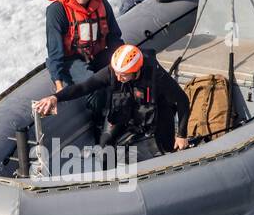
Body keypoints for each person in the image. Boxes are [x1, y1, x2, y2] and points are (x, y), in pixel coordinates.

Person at [33, 44, 190, 157]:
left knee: (168, 147)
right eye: (116, 72)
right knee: (105, 143)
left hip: (156, 109)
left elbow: (182, 100)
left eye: (123, 74)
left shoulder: (155, 74)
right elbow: (84, 87)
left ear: (136, 71)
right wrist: (55, 97)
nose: (118, 77)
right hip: (125, 107)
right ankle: (111, 177)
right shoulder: (112, 72)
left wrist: (182, 135)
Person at [45, 0, 123, 92]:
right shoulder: (57, 10)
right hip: (72, 61)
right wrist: (58, 84)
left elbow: (114, 37)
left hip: (96, 55)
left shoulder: (102, 3)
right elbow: (55, 52)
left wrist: (123, 63)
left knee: (128, 73)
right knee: (94, 87)